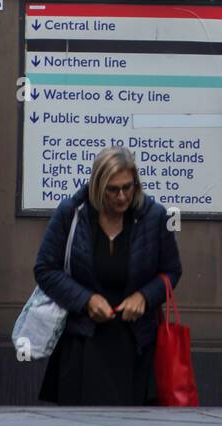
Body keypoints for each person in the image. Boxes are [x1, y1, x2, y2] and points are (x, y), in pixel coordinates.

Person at [35, 147, 182, 406]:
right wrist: (86, 300)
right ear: (97, 186)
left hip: (136, 344)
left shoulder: (154, 216)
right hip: (83, 343)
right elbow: (45, 269)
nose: (122, 196)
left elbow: (172, 271)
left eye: (128, 187)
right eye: (113, 189)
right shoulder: (72, 213)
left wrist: (144, 297)